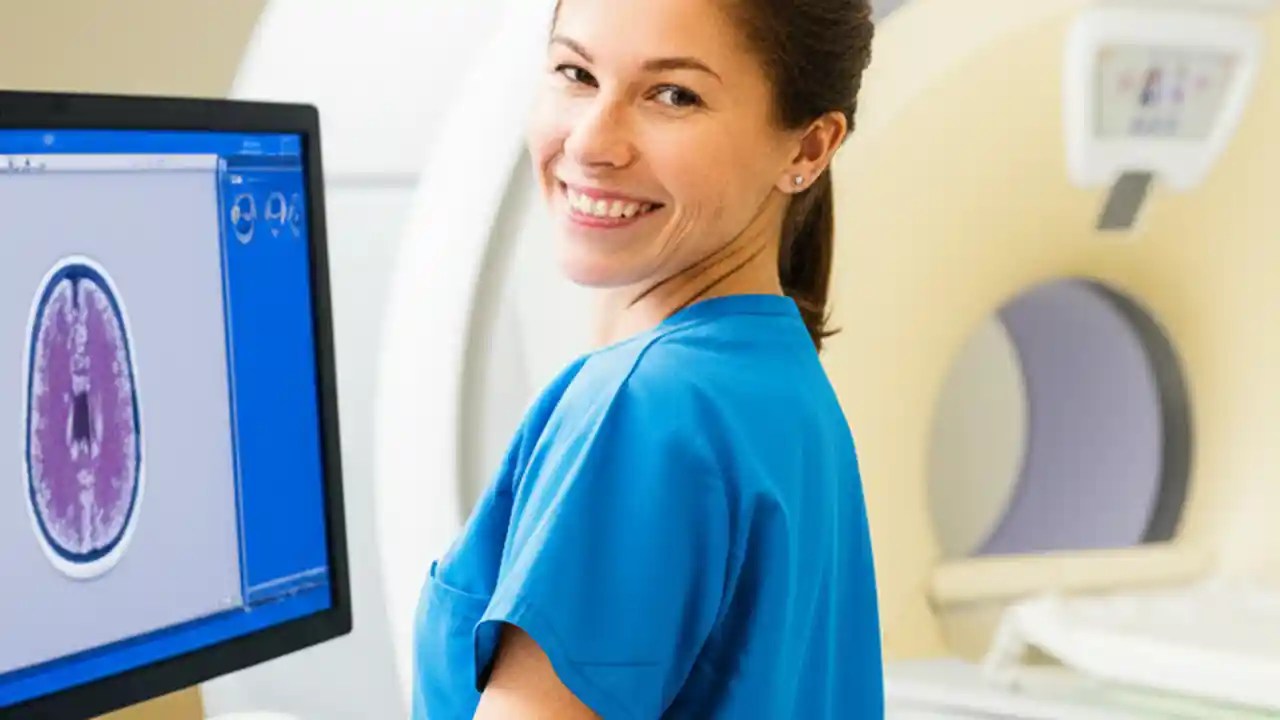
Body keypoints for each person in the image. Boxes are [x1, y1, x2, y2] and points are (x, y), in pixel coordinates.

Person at [412, 0, 881, 716]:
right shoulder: (778, 378)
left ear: (808, 148)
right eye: (576, 73)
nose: (594, 142)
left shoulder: (644, 406)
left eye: (673, 94)